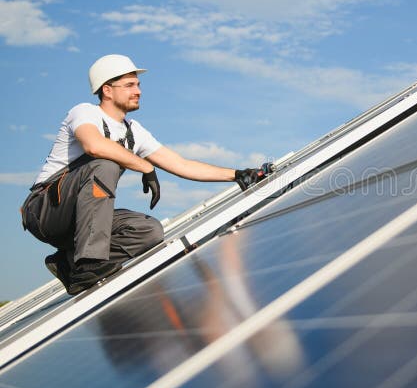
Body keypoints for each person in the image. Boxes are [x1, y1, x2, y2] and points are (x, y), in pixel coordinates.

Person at [21, 54, 268, 295]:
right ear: (107, 90)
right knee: (105, 164)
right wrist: (145, 166)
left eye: (138, 85)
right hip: (45, 211)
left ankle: (69, 264)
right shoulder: (84, 112)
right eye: (129, 85)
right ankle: (89, 264)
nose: (138, 91)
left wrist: (237, 174)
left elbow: (181, 164)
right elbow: (94, 146)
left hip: (82, 222)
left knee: (149, 231)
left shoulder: (134, 131)